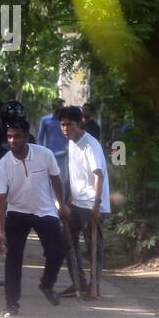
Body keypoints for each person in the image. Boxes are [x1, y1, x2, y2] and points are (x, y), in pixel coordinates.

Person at [0, 118, 68, 317]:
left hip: (45, 211)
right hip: (17, 213)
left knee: (57, 252)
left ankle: (46, 284)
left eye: (17, 136)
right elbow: (0, 201)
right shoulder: (2, 166)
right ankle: (11, 304)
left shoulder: (45, 155)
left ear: (27, 136)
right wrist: (0, 232)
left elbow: (56, 180)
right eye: (9, 137)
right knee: (13, 259)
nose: (12, 141)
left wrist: (62, 205)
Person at [59, 106, 110, 299]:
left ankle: (94, 286)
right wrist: (72, 195)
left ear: (79, 124)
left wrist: (97, 204)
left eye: (69, 124)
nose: (65, 128)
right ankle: (78, 282)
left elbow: (99, 175)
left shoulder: (91, 144)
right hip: (77, 201)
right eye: (62, 124)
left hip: (92, 203)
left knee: (93, 246)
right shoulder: (71, 142)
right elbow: (76, 172)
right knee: (67, 239)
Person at [37, 99, 68, 176]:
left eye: (61, 106)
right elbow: (40, 138)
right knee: (49, 178)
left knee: (62, 179)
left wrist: (68, 147)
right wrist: (42, 152)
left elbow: (69, 135)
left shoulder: (65, 120)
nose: (60, 108)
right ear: (53, 107)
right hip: (49, 155)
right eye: (58, 106)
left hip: (63, 154)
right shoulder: (45, 120)